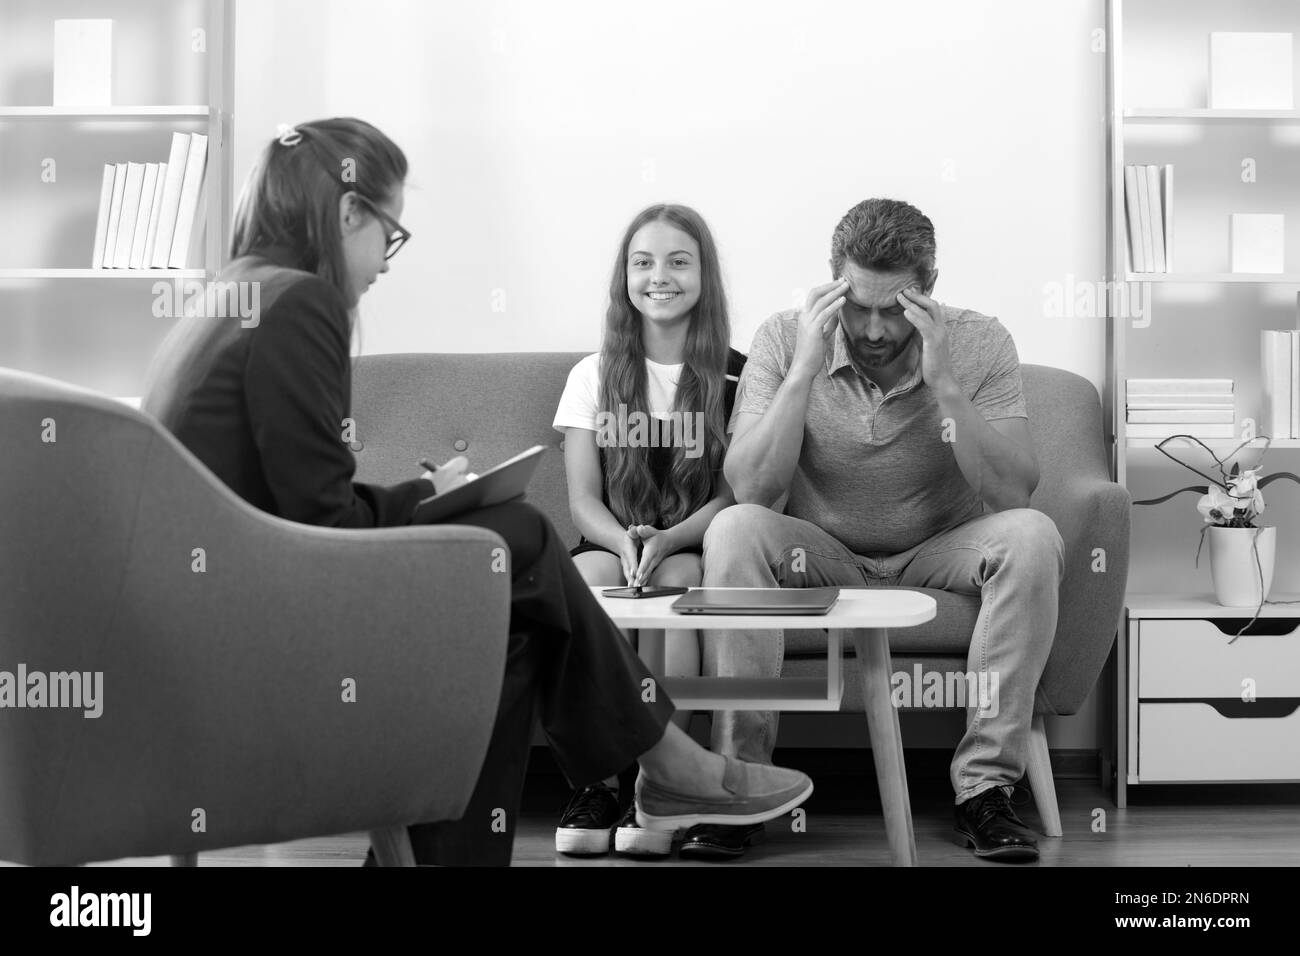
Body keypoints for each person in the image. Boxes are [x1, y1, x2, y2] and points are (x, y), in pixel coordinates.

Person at [138, 117, 812, 866]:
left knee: (516, 629)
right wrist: (431, 501)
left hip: (213, 610)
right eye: (389, 233)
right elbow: (318, 516)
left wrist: (423, 494)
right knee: (520, 531)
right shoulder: (300, 303)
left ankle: (643, 777)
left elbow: (294, 498)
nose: (385, 264)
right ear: (348, 214)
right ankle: (675, 765)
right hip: (263, 620)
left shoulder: (232, 294)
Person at [704, 198, 1063, 862]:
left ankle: (984, 791)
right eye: (857, 306)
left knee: (1033, 536)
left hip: (939, 551)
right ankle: (740, 784)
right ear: (832, 283)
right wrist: (805, 370)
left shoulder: (981, 341)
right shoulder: (786, 339)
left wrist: (945, 383)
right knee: (733, 530)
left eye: (893, 309)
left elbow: (1013, 492)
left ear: (928, 291)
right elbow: (753, 490)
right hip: (822, 553)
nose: (871, 329)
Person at [551, 204, 747, 859]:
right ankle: (599, 783)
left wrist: (669, 538)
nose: (659, 276)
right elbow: (582, 500)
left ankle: (665, 783)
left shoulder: (737, 375)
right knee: (585, 582)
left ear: (703, 276)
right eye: (643, 262)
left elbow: (733, 493)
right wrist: (621, 541)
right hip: (611, 538)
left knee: (677, 584)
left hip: (690, 542)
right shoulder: (593, 374)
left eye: (678, 261)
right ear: (624, 277)